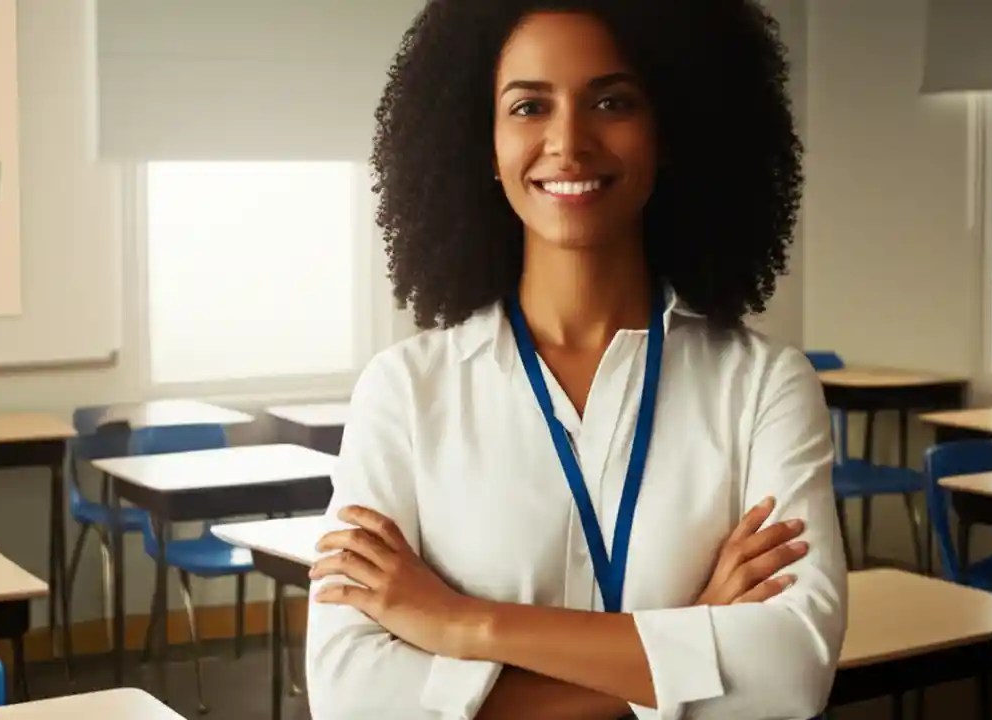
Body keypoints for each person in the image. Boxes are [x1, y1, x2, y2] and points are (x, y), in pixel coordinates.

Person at [305, 0, 847, 718]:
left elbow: (790, 670)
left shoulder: (764, 386)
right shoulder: (405, 391)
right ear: (483, 140)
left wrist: (463, 624)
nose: (568, 142)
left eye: (612, 102)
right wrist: (686, 644)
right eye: (529, 106)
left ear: (670, 130)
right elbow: (352, 695)